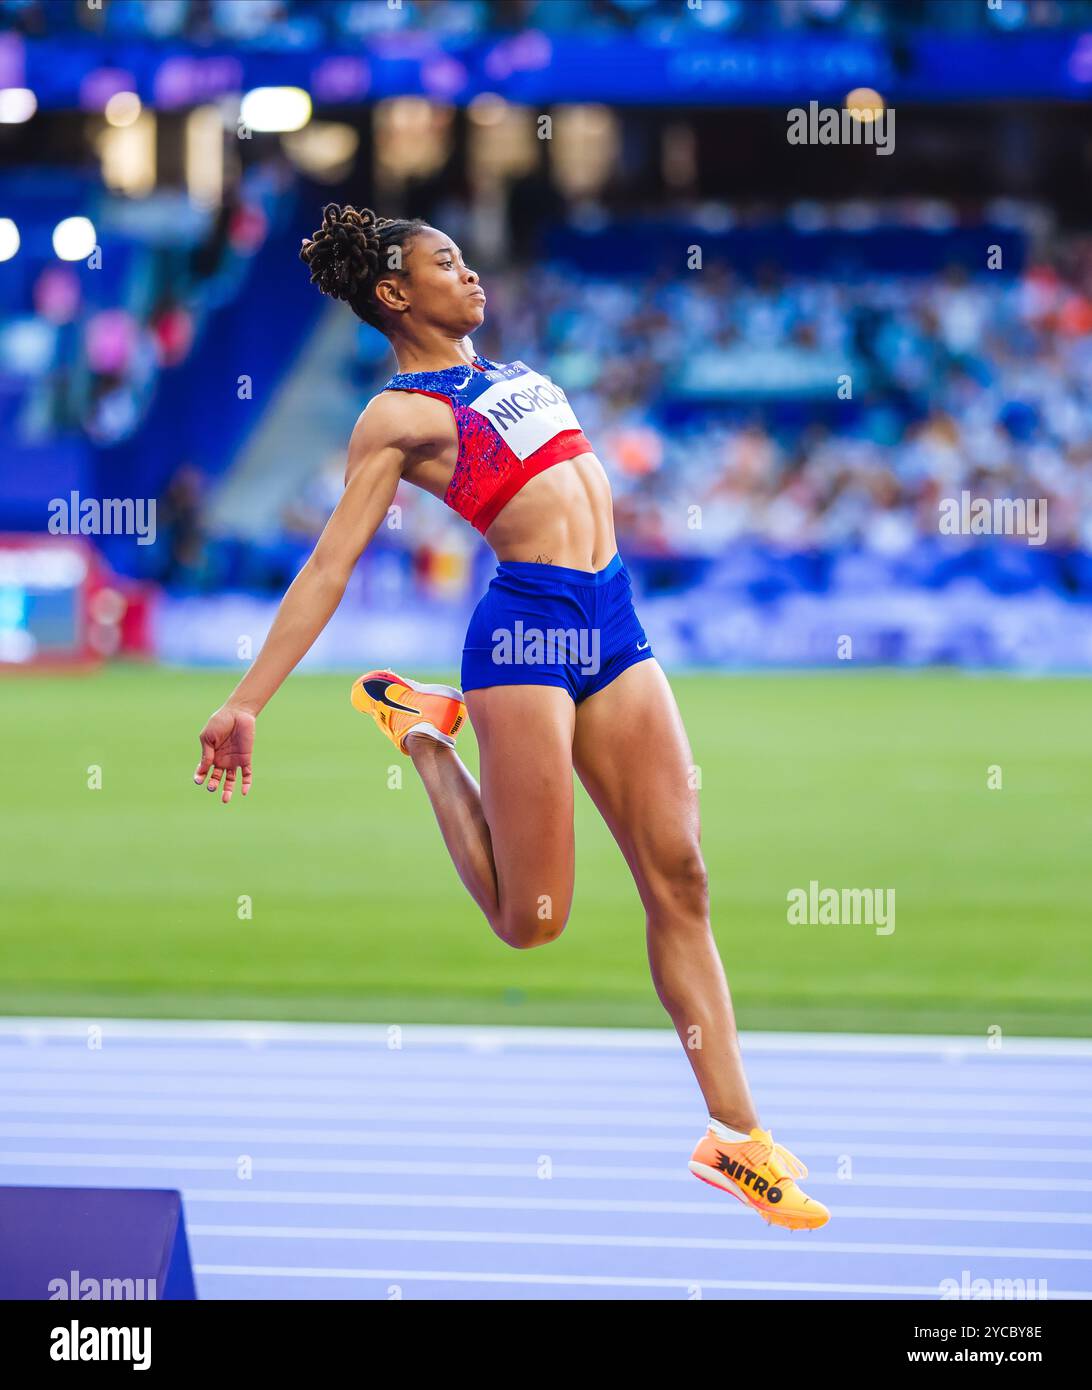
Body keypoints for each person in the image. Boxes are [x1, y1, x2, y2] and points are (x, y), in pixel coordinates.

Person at [193, 203, 829, 1231]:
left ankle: (737, 1142)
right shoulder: (396, 416)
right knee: (531, 922)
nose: (472, 273)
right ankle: (427, 739)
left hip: (612, 615)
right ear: (396, 293)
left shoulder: (518, 374)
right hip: (526, 632)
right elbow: (329, 566)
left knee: (684, 876)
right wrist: (244, 699)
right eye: (447, 262)